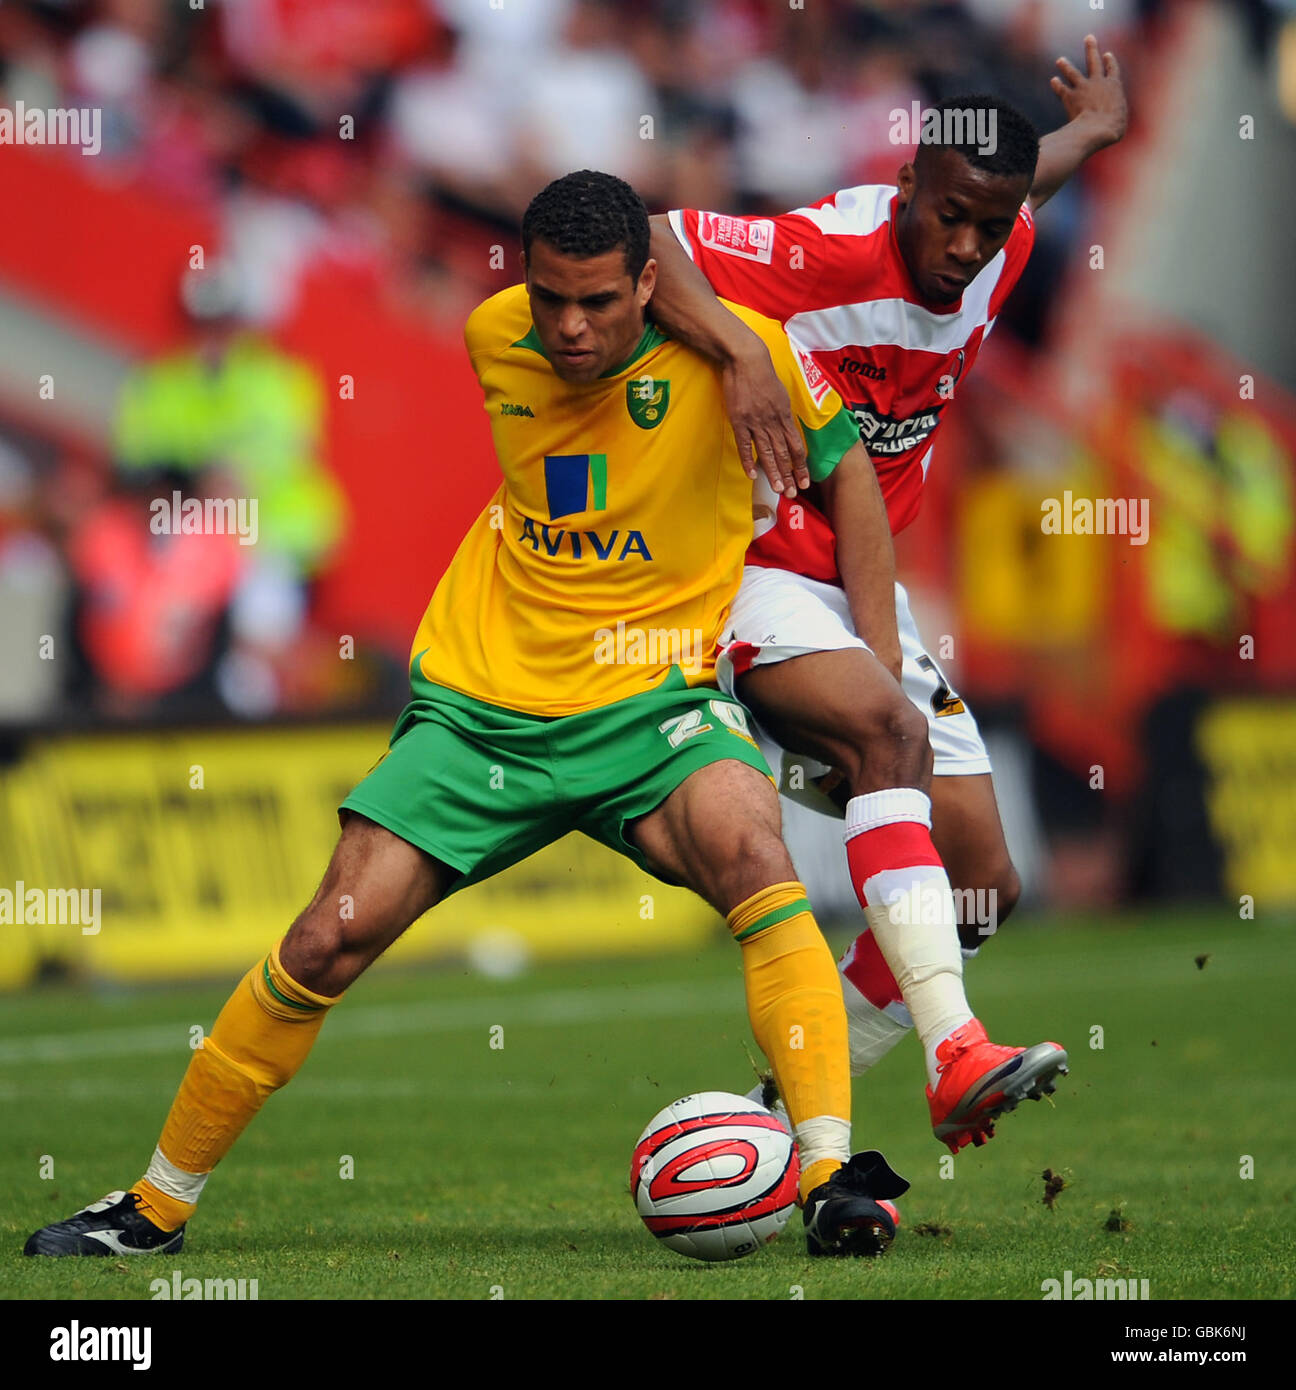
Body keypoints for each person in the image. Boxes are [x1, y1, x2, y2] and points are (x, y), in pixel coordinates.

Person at [25, 170, 910, 1262]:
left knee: (756, 860)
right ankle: (153, 1208)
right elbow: (623, 279)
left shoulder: (756, 362)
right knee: (325, 937)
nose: (570, 327)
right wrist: (730, 342)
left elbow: (849, 472)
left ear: (648, 286)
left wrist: (880, 659)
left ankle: (827, 1177)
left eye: (599, 301)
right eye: (552, 298)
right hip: (482, 711)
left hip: (651, 709)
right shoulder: (499, 336)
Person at [644, 39, 1128, 1151]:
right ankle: (956, 1050)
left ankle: (777, 1116)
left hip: (862, 577)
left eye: (989, 226)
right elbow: (655, 235)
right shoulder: (826, 249)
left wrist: (1093, 134)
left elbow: (1022, 179)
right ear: (906, 184)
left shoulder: (998, 237)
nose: (965, 247)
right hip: (753, 565)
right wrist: (741, 354)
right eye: (947, 216)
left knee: (984, 884)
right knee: (883, 736)